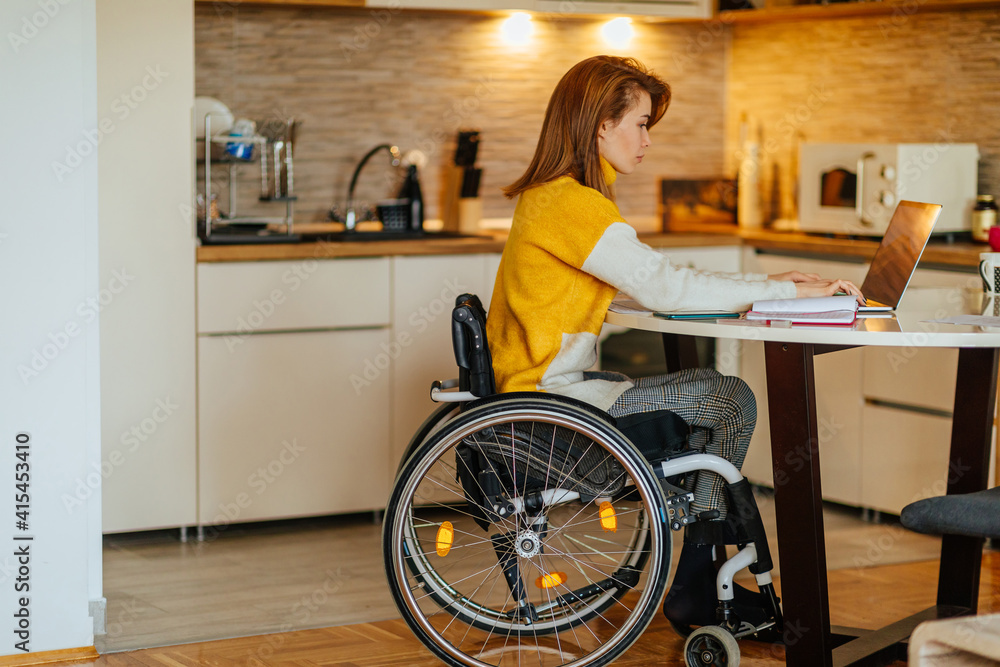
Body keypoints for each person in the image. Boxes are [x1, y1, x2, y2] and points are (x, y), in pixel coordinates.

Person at [485, 55, 863, 634]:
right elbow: (664, 287)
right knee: (727, 399)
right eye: (640, 124)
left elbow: (648, 289)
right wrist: (778, 290)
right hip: (554, 406)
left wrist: (774, 286)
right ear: (599, 126)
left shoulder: (557, 200)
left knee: (726, 397)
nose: (646, 141)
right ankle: (699, 573)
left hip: (554, 394)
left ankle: (700, 570)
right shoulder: (570, 204)